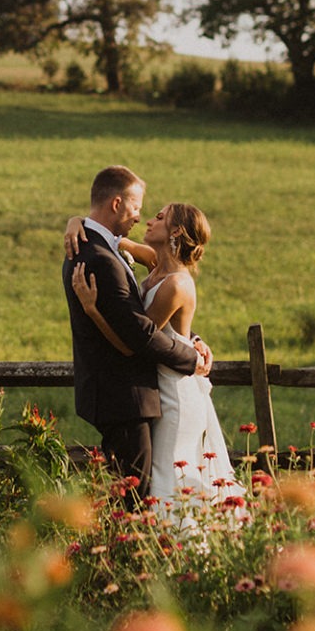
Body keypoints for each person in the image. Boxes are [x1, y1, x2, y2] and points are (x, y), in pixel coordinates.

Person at [65, 196, 247, 528]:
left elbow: (134, 342)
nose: (149, 220)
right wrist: (75, 221)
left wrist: (93, 311)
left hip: (176, 395)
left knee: (168, 478)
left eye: (159, 217)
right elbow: (108, 235)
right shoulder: (152, 260)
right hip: (158, 387)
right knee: (162, 477)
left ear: (175, 231)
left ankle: (179, 552)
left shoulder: (177, 284)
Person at [62, 165, 209, 503]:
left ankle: (142, 550)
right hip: (125, 396)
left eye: (155, 215)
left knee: (154, 486)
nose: (142, 217)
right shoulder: (99, 256)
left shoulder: (112, 249)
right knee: (138, 494)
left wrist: (193, 340)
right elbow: (137, 335)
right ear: (116, 204)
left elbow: (157, 319)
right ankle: (136, 551)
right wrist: (191, 357)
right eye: (137, 207)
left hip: (148, 393)